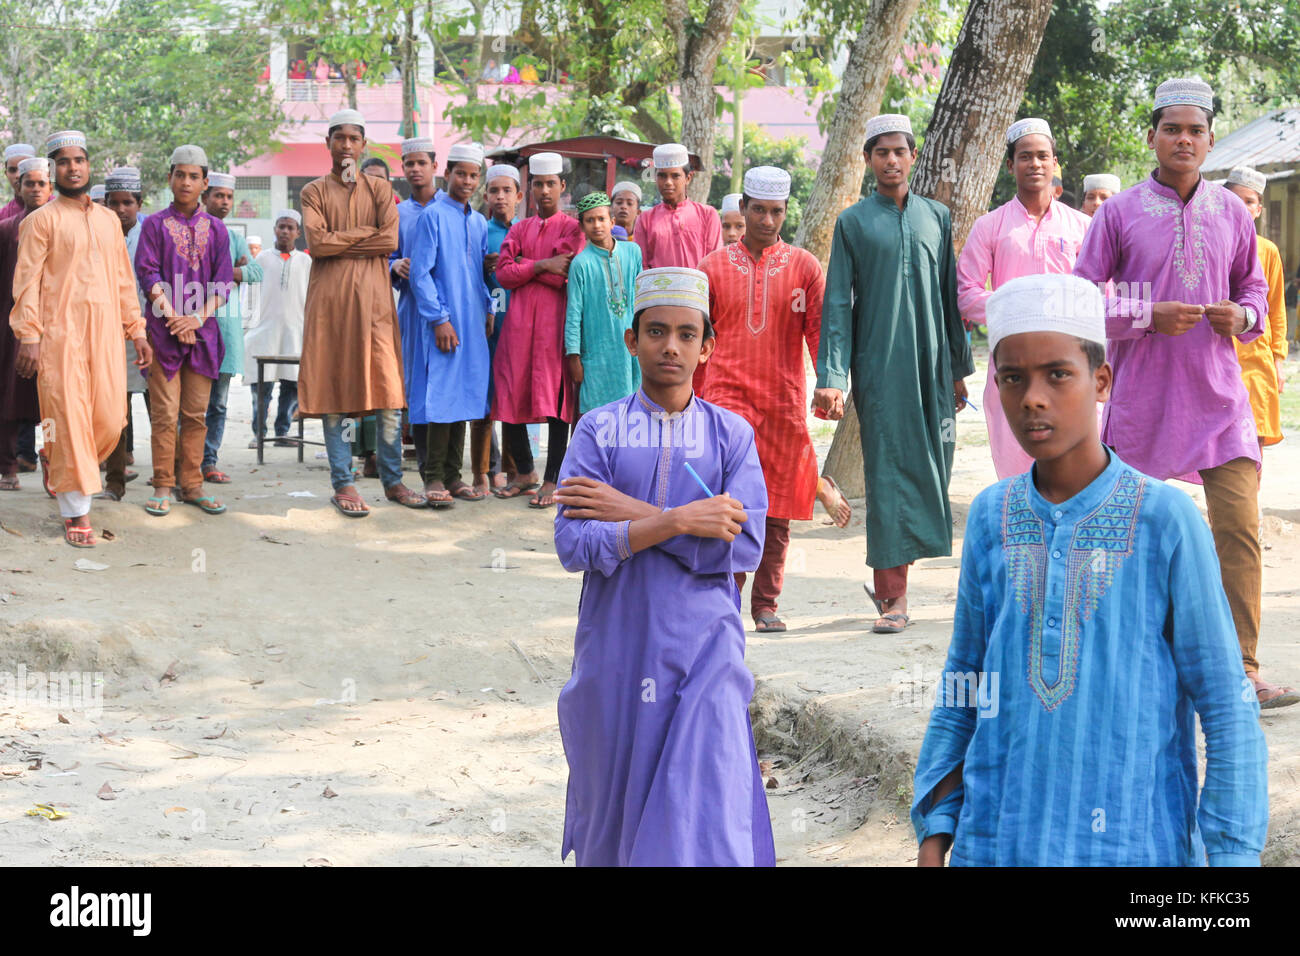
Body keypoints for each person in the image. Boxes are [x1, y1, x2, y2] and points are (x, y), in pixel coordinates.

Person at [912, 272, 1268, 867]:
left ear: (1101, 379)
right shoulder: (991, 517)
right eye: (1012, 378)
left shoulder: (1166, 519)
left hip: (1134, 848)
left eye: (1058, 374)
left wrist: (1231, 861)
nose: (1033, 398)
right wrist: (936, 831)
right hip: (999, 843)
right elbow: (964, 682)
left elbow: (1227, 706)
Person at [1074, 78, 1295, 708]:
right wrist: (1147, 314)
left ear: (1210, 140)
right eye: (1172, 128)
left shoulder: (1231, 210)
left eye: (1196, 130)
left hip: (1221, 401)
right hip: (1141, 399)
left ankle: (1242, 670)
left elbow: (1254, 288)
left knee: (1239, 530)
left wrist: (1245, 319)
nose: (1184, 139)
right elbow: (1084, 296)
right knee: (1123, 532)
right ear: (1152, 137)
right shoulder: (1118, 213)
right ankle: (1120, 668)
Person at [552, 266, 775, 866]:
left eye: (684, 334)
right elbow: (573, 545)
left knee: (703, 800)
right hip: (618, 648)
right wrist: (677, 520)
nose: (669, 346)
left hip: (707, 647)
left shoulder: (731, 436)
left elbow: (744, 545)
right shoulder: (598, 432)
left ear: (708, 346)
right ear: (632, 341)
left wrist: (631, 516)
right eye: (655, 332)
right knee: (615, 804)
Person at [813, 114, 974, 634]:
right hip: (880, 367)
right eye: (880, 152)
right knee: (887, 474)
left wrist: (956, 367)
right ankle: (892, 596)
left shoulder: (937, 217)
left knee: (934, 466)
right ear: (868, 160)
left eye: (899, 151)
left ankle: (901, 580)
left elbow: (949, 298)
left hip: (932, 366)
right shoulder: (853, 223)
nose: (890, 160)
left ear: (912, 156)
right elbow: (837, 301)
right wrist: (833, 375)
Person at [698, 166, 848, 632]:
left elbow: (821, 330)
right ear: (742, 209)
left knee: (778, 508)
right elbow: (697, 338)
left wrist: (830, 381)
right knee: (734, 503)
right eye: (758, 210)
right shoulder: (712, 266)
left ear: (787, 211)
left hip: (783, 398)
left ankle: (766, 605)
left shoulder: (805, 266)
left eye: (776, 212)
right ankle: (728, 599)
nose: (767, 220)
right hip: (725, 399)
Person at [10, 131, 152, 547]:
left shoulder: (109, 220)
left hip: (106, 338)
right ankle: (77, 512)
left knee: (110, 419)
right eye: (64, 161)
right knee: (68, 419)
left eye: (80, 160)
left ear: (89, 167)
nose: (73, 167)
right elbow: (27, 284)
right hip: (58, 338)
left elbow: (126, 284)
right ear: (53, 171)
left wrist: (137, 330)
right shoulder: (40, 221)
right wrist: (29, 337)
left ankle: (53, 458)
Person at [298, 109, 424, 516]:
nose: (347, 145)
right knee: (333, 392)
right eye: (340, 138)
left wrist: (343, 240)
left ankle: (392, 480)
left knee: (388, 393)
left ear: (363, 143)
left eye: (354, 138)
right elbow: (317, 245)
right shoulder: (313, 191)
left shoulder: (381, 191)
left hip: (374, 306)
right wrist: (365, 237)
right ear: (329, 144)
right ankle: (344, 482)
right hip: (330, 307)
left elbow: (389, 238)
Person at [958, 118, 1093, 479]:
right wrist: (1016, 310)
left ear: (1054, 163)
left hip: (1070, 359)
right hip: (1012, 362)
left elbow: (1102, 291)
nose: (1035, 164)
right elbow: (966, 292)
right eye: (1025, 157)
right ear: (1010, 165)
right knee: (1017, 467)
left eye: (1042, 156)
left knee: (1072, 468)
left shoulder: (1082, 226)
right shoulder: (990, 226)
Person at [134, 144, 234, 518]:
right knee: (164, 413)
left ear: (204, 182)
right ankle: (163, 483)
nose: (186, 182)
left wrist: (196, 318)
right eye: (180, 175)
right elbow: (148, 274)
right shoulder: (154, 225)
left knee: (195, 415)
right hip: (162, 334)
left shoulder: (218, 230)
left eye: (194, 176)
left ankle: (191, 485)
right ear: (170, 178)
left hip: (203, 335)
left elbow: (223, 284)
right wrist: (175, 316)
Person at [492, 151, 585, 508]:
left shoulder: (573, 229)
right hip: (517, 330)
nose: (544, 190)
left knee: (555, 402)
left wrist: (525, 267)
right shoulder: (519, 228)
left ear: (562, 187)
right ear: (529, 190)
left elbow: (564, 274)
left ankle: (552, 479)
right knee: (513, 394)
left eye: (550, 184)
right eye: (538, 184)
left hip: (553, 329)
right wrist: (543, 264)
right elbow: (502, 273)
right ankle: (526, 472)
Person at [408, 141, 494, 506]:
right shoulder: (432, 216)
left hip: (472, 321)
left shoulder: (477, 222)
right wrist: (439, 318)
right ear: (448, 174)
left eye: (474, 175)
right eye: (461, 173)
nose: (468, 181)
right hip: (444, 322)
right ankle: (432, 478)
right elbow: (419, 275)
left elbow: (476, 274)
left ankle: (455, 476)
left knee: (464, 395)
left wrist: (488, 307)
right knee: (442, 396)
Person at [200, 171, 262, 484]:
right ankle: (182, 463)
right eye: (218, 196)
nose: (224, 202)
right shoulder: (194, 230)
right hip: (196, 327)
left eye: (228, 197)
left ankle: (209, 462)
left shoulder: (235, 236)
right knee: (192, 402)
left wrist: (231, 273)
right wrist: (232, 270)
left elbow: (255, 271)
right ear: (204, 197)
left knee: (219, 403)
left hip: (226, 329)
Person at [1223, 166, 1287, 454]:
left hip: (1257, 358)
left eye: (1249, 202)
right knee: (1222, 439)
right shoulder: (1211, 245)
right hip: (1219, 354)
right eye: (1235, 200)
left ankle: (1253, 500)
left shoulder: (1268, 250)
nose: (1242, 207)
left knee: (1255, 438)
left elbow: (1276, 310)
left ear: (1259, 209)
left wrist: (1278, 359)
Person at [564, 191, 642, 417]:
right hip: (596, 353)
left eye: (601, 219)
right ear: (582, 226)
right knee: (597, 415)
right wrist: (574, 356)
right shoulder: (581, 264)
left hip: (630, 350)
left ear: (612, 222)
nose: (597, 225)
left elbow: (641, 299)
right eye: (590, 220)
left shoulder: (632, 252)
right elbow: (573, 314)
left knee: (631, 411)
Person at [99, 166, 149, 501]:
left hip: (149, 334)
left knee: (160, 406)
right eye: (114, 203)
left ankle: (169, 478)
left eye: (127, 202)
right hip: (108, 334)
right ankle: (115, 483)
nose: (121, 210)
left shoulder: (152, 233)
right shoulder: (98, 232)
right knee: (117, 411)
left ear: (139, 203)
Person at [472, 162, 522, 494]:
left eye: (507, 191)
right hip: (486, 326)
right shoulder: (479, 231)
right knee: (484, 399)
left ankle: (515, 470)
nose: (500, 197)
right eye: (494, 191)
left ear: (519, 195)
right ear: (487, 195)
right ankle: (482, 472)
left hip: (518, 325)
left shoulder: (527, 231)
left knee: (514, 398)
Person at [0, 157, 49, 492]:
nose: (34, 188)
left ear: (51, 188)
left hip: (54, 327)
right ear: (18, 186)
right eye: (28, 183)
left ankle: (55, 466)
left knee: (54, 403)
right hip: (12, 328)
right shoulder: (6, 229)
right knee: (9, 397)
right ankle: (7, 467)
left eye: (41, 183)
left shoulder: (61, 226)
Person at [390, 136, 438, 470]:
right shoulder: (397, 214)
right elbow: (387, 256)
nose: (416, 169)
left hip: (452, 312)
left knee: (449, 380)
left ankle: (453, 465)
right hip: (410, 312)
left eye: (422, 162)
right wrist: (394, 265)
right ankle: (425, 465)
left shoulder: (454, 209)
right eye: (410, 163)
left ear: (435, 166)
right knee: (416, 385)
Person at [244, 210, 308, 446]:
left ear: (298, 233)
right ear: (274, 230)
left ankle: (282, 432)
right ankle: (258, 434)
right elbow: (249, 294)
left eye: (290, 228)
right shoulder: (261, 259)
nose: (285, 231)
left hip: (295, 333)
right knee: (262, 388)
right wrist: (247, 327)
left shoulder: (306, 261)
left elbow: (311, 298)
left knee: (291, 386)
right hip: (264, 332)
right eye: (281, 226)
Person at [634, 143, 721, 269]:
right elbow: (641, 265)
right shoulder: (645, 219)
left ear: (688, 178)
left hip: (697, 288)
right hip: (657, 288)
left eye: (675, 176)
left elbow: (714, 262)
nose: (668, 182)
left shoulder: (708, 215)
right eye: (662, 176)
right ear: (655, 178)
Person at [1, 142, 35, 222]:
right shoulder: (3, 216)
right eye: (12, 170)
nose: (18, 175)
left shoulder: (55, 208)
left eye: (24, 168)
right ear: (6, 174)